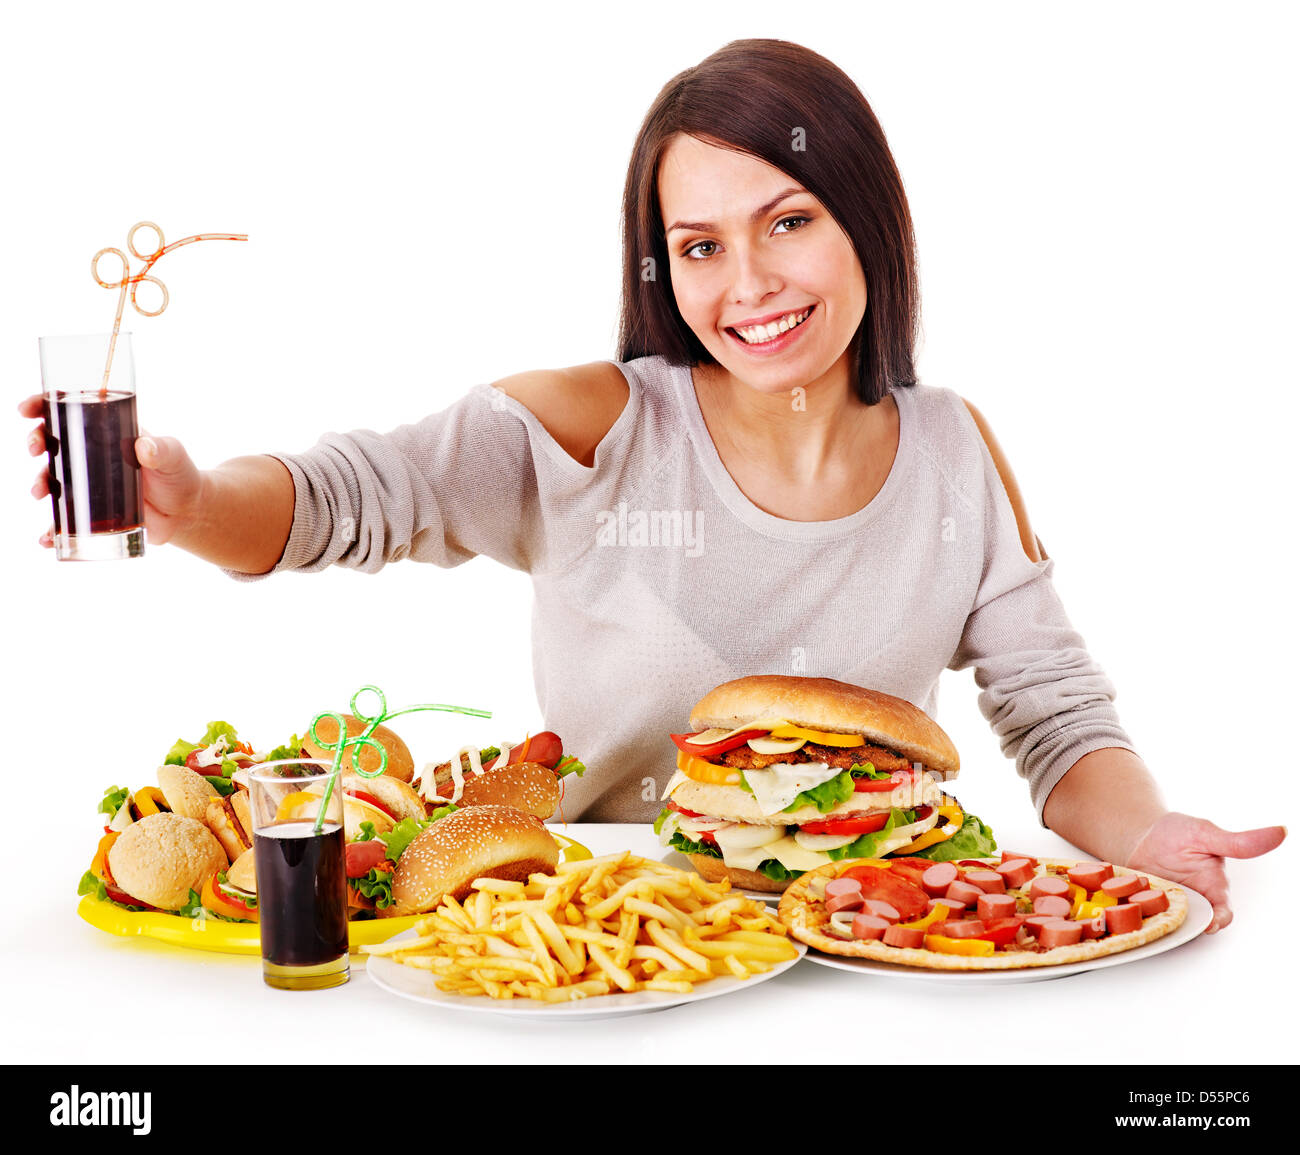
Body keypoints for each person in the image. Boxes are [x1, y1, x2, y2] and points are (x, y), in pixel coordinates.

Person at [21, 39, 1282, 930]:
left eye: (788, 222)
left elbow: (1055, 717)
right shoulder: (594, 425)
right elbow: (350, 496)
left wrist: (1148, 836)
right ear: (661, 268)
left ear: (865, 220)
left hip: (864, 944)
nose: (750, 285)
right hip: (598, 952)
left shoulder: (956, 449)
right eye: (699, 245)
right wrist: (188, 507)